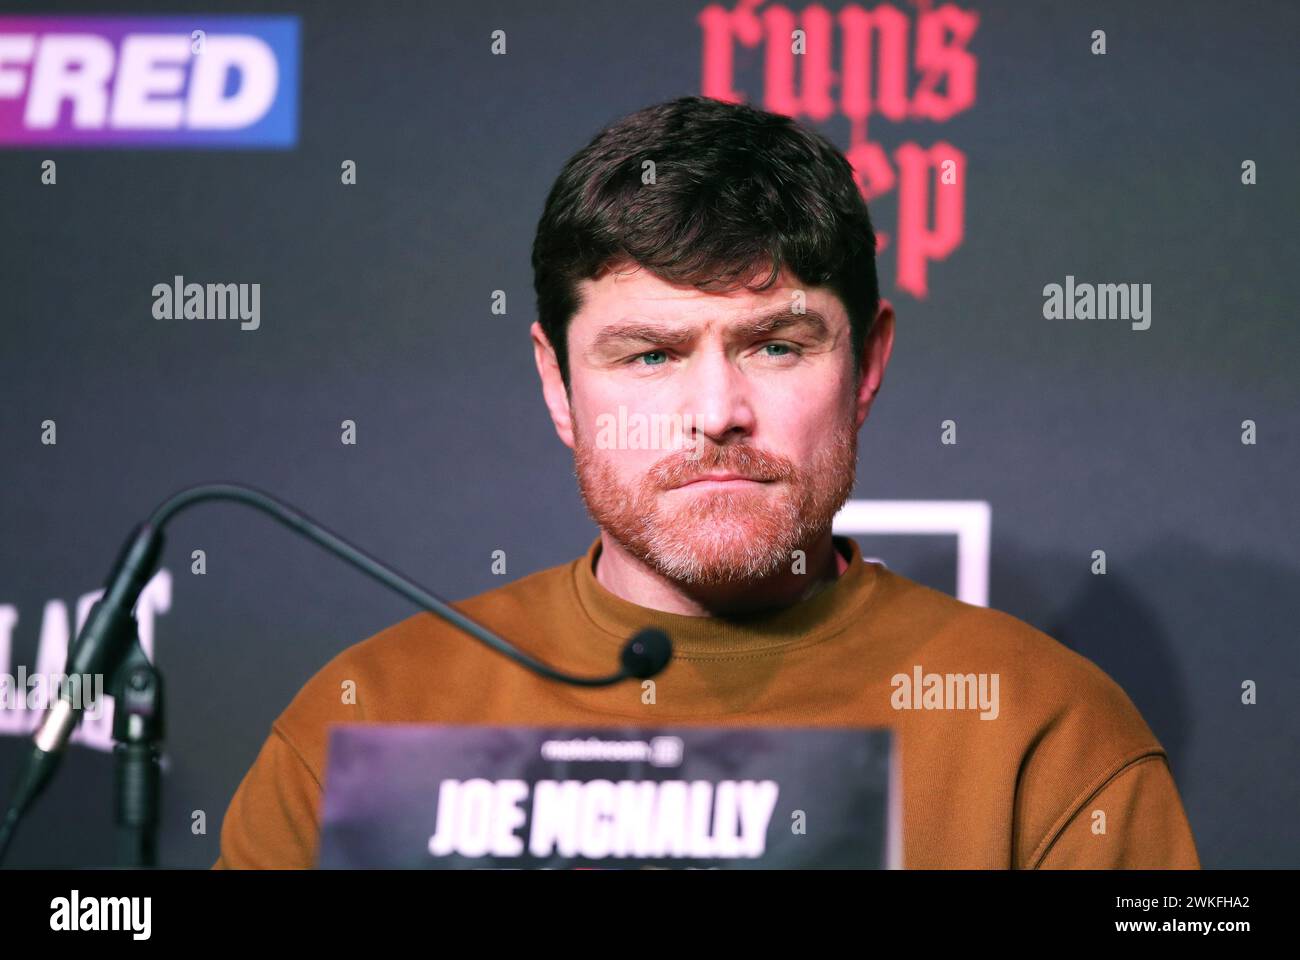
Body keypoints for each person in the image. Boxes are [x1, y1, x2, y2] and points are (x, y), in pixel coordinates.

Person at [213, 95, 1198, 869]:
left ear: (866, 367)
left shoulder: (1046, 732)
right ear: (556, 384)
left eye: (775, 345)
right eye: (648, 356)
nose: (715, 411)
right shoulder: (361, 722)